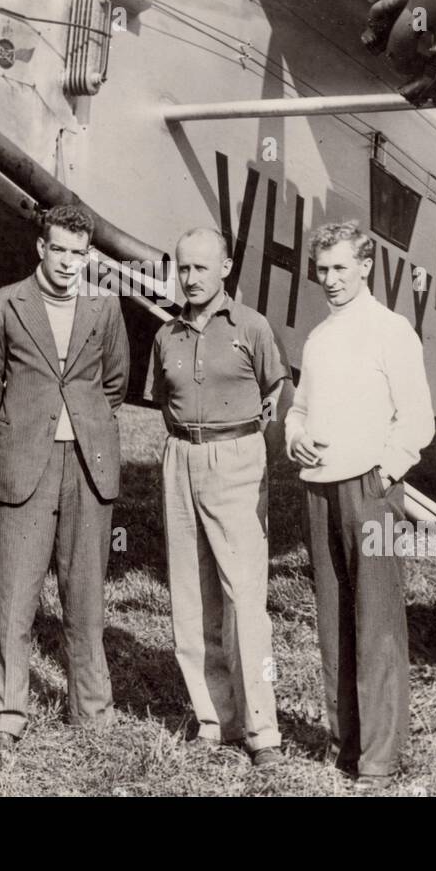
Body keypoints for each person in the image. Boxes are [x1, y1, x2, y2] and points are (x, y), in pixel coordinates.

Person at [0, 204, 130, 749]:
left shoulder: (104, 308)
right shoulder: (3, 304)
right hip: (25, 466)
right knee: (15, 597)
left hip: (88, 465)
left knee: (85, 596)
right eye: (58, 250)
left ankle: (92, 708)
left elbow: (114, 385)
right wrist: (25, 429)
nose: (67, 262)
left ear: (89, 256)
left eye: (78, 253)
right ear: (41, 248)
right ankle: (5, 715)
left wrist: (79, 427)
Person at [285, 221, 434, 787]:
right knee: (333, 619)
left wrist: (383, 473)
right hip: (319, 488)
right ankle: (344, 745)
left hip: (371, 493)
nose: (330, 280)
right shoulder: (318, 337)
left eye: (341, 268)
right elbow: (300, 410)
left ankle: (379, 757)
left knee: (377, 621)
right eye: (322, 270)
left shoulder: (392, 331)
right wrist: (294, 433)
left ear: (366, 266)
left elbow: (416, 421)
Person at [146, 228, 289, 769]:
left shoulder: (251, 327)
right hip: (181, 456)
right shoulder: (167, 334)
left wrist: (244, 446)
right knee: (190, 593)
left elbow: (275, 389)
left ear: (225, 268)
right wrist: (190, 446)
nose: (191, 277)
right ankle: (215, 718)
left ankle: (263, 731)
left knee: (245, 597)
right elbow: (164, 402)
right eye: (183, 268)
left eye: (202, 268)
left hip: (237, 458)